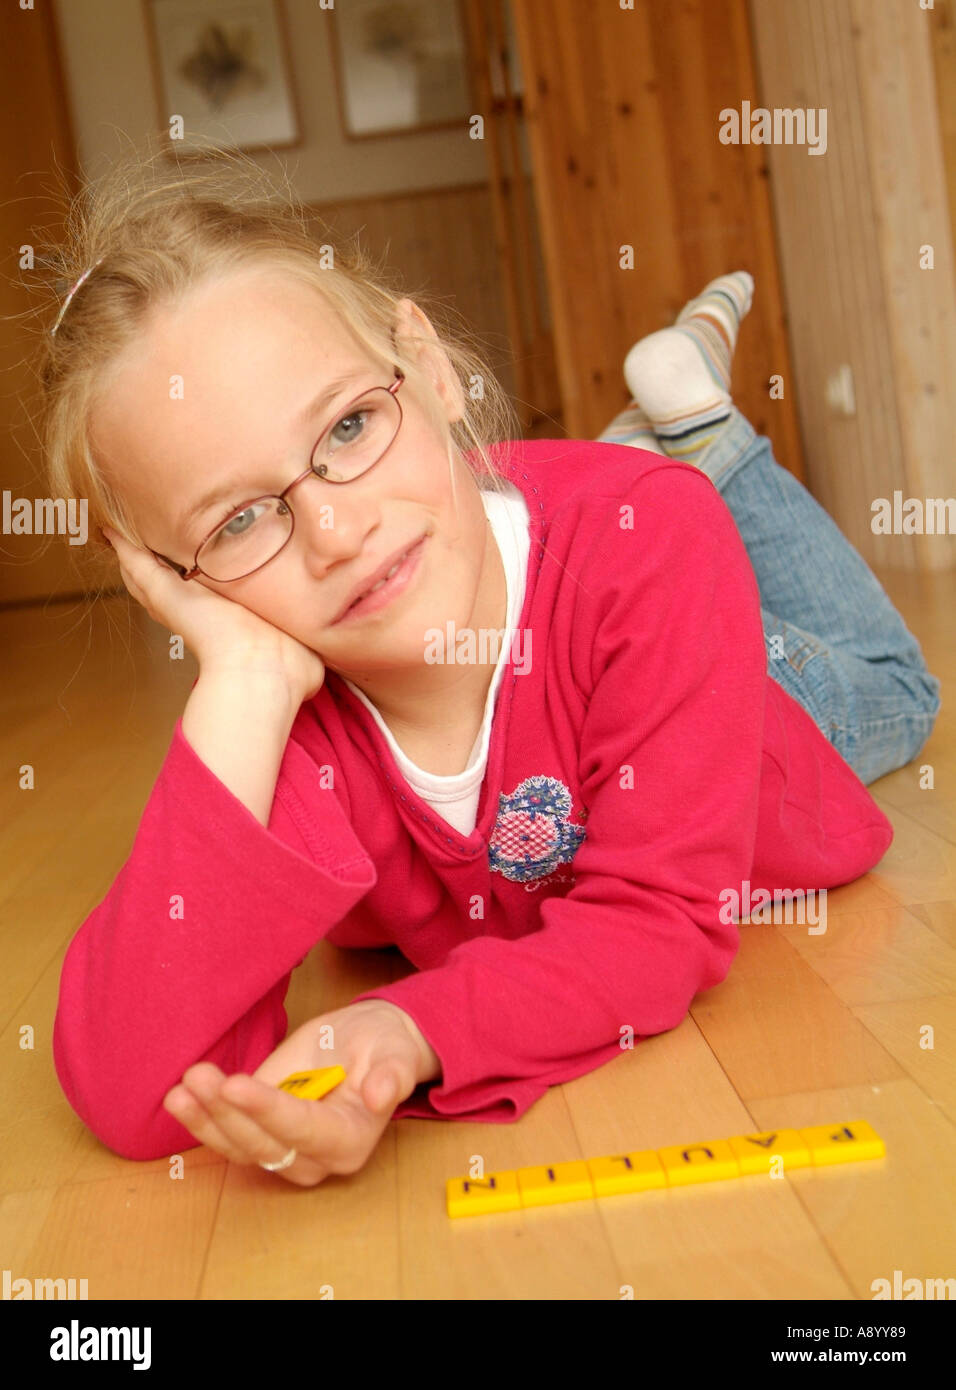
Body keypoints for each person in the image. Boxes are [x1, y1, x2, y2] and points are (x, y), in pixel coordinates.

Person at [41, 149, 939, 1185]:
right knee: (621, 518)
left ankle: (706, 437)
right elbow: (132, 1081)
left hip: (758, 700)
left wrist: (406, 1028)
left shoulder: (646, 548)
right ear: (173, 578)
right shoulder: (281, 698)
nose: (336, 531)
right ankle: (644, 442)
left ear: (424, 367)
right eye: (240, 520)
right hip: (580, 563)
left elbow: (651, 926)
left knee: (890, 686)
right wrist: (239, 678)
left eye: (347, 426)